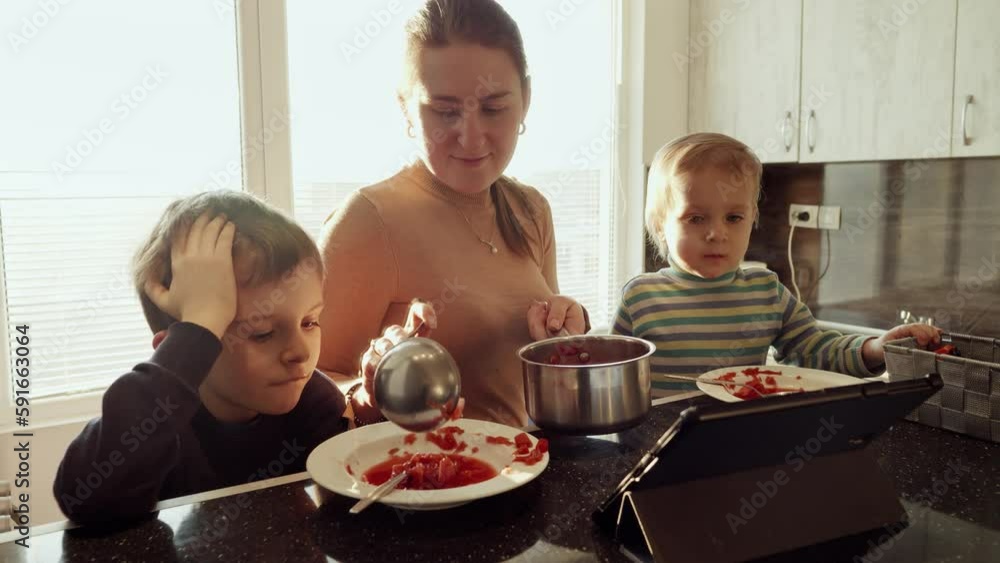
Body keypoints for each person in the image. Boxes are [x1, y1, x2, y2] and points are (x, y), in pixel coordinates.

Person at [318, 0, 587, 428]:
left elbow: (531, 379)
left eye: (494, 108)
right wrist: (370, 389)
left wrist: (560, 339)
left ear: (527, 100)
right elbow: (310, 393)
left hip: (523, 473)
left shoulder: (531, 210)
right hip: (415, 486)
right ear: (406, 107)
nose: (471, 136)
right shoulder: (368, 221)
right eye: (444, 111)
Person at [53, 191, 348, 527]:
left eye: (310, 322)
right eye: (262, 332)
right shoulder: (156, 420)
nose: (301, 352)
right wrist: (199, 325)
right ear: (183, 348)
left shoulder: (316, 404)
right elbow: (85, 498)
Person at [613, 132, 941, 395]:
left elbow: (814, 351)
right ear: (659, 225)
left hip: (748, 443)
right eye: (696, 218)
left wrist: (875, 348)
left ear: (752, 219)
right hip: (663, 451)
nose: (717, 233)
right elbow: (612, 383)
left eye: (734, 217)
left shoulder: (766, 292)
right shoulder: (641, 297)